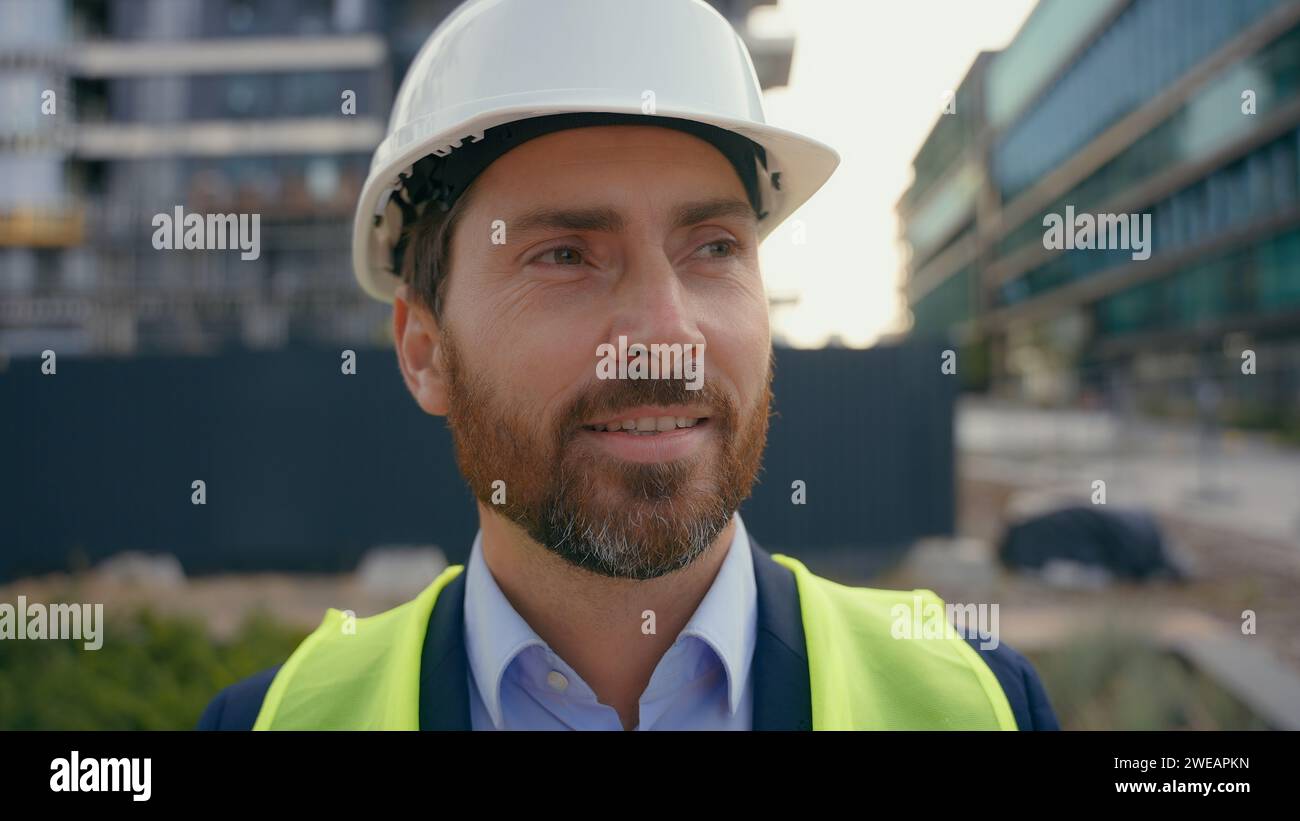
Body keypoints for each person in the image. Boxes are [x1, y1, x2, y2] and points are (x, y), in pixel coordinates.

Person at [199, 0, 1058, 731]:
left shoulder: (979, 704)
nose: (665, 333)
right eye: (566, 254)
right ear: (425, 352)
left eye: (714, 246)